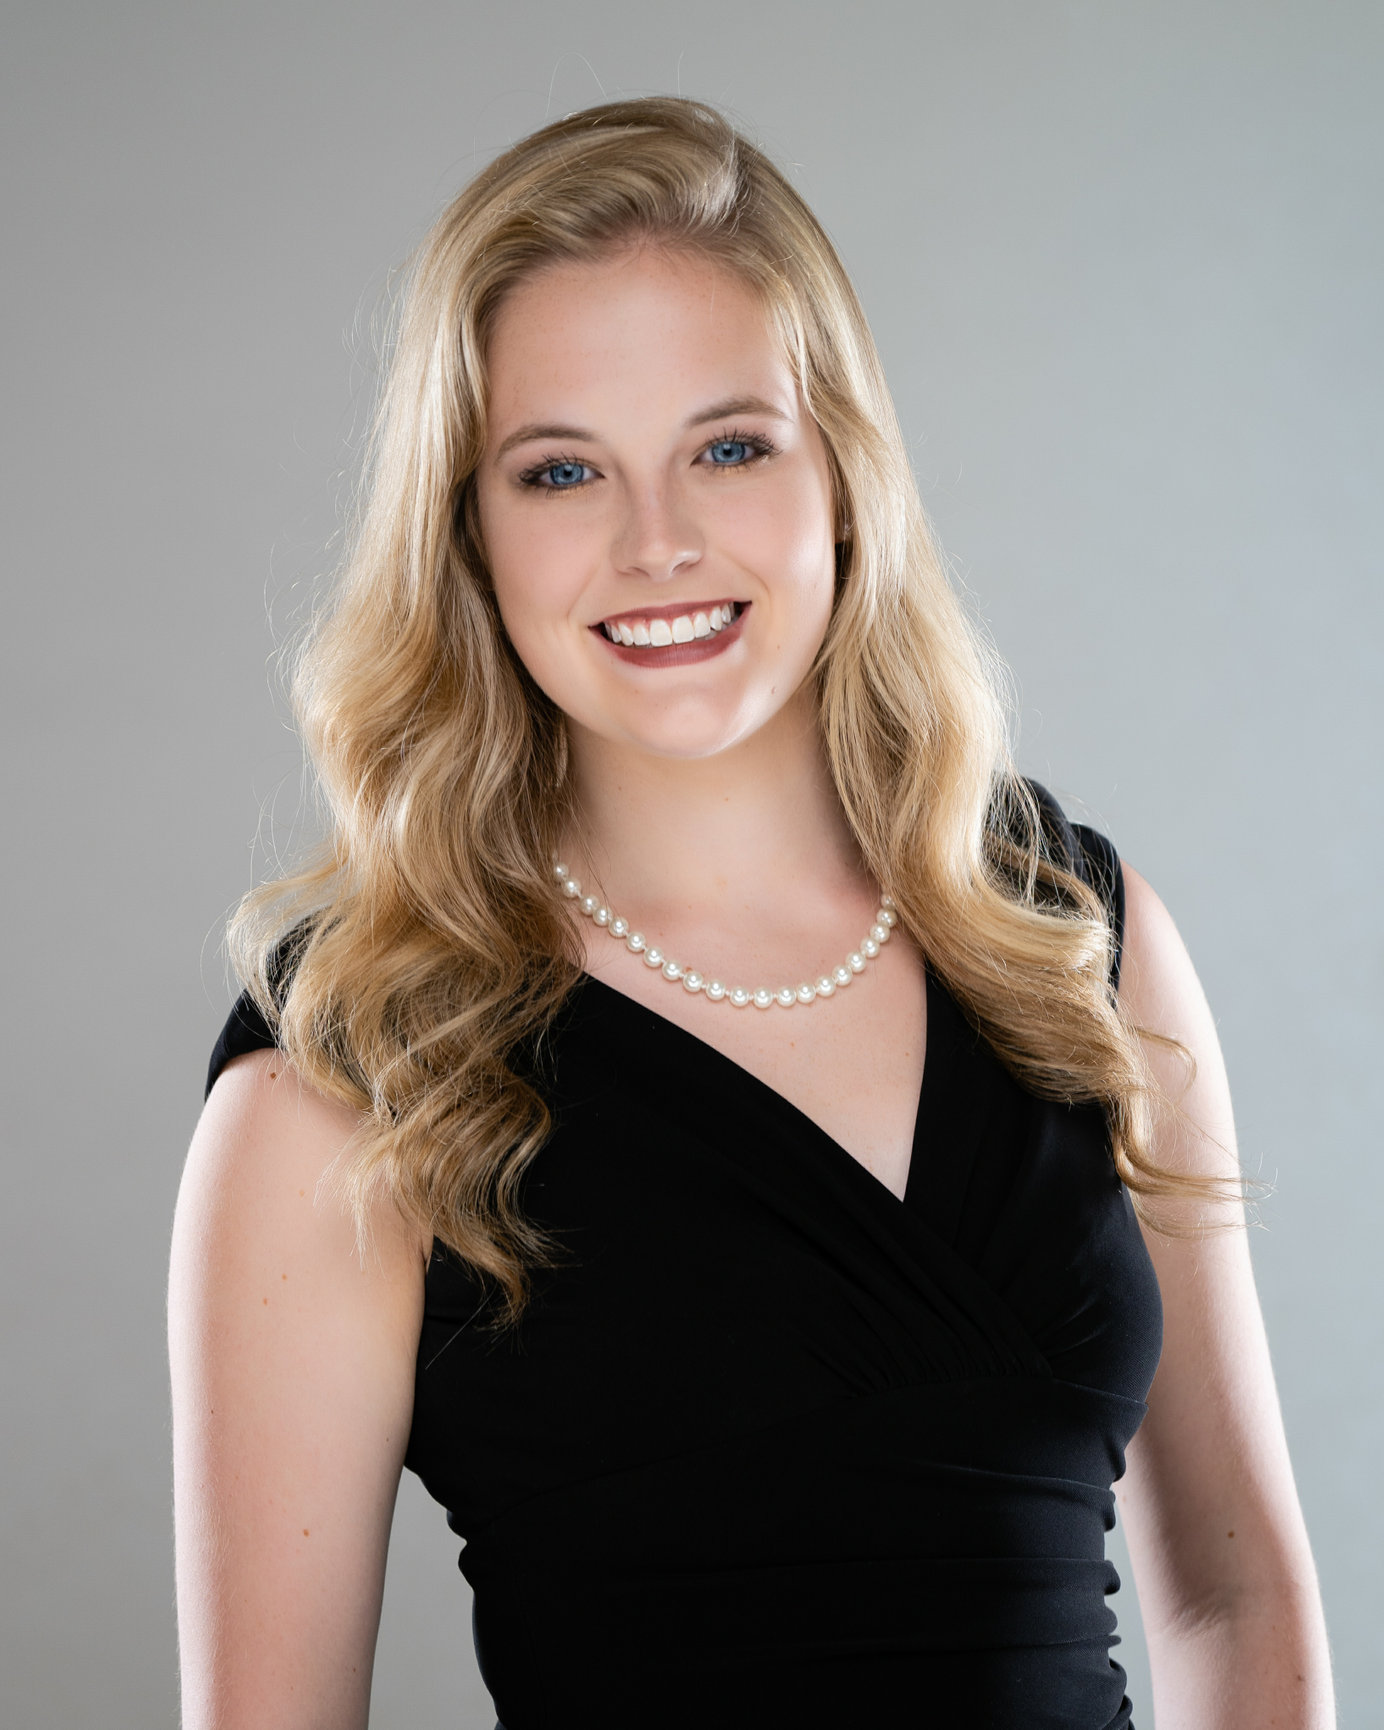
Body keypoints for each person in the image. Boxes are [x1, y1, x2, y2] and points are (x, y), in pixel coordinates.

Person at [168, 97, 1334, 1729]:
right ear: (469, 535)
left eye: (730, 446)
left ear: (842, 475)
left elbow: (1237, 1593)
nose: (660, 544)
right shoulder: (348, 1070)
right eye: (561, 469)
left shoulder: (1077, 938)